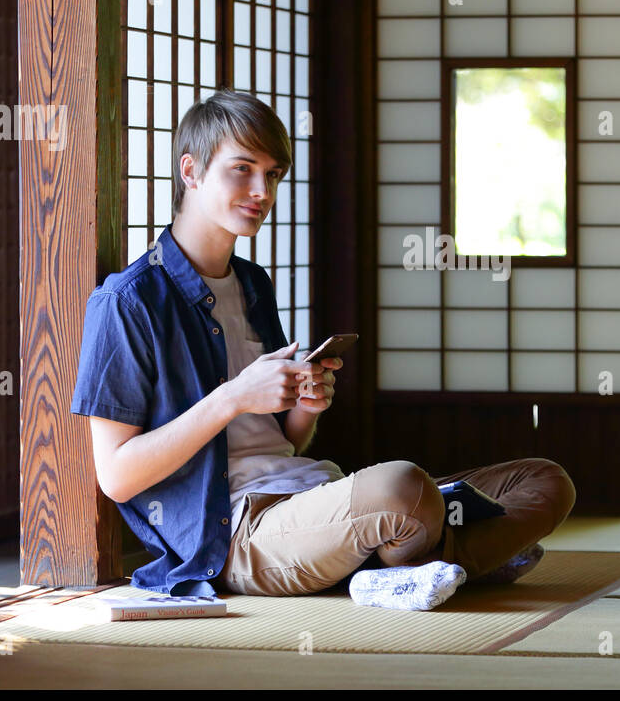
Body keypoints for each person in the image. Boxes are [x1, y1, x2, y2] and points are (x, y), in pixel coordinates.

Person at [70, 89, 576, 610]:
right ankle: (443, 558)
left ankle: (405, 565)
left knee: (543, 480)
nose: (261, 191)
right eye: (242, 169)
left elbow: (287, 444)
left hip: (314, 496)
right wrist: (233, 397)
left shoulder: (251, 282)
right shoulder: (127, 301)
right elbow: (117, 476)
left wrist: (304, 408)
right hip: (241, 531)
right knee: (404, 487)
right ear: (191, 172)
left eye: (272, 175)